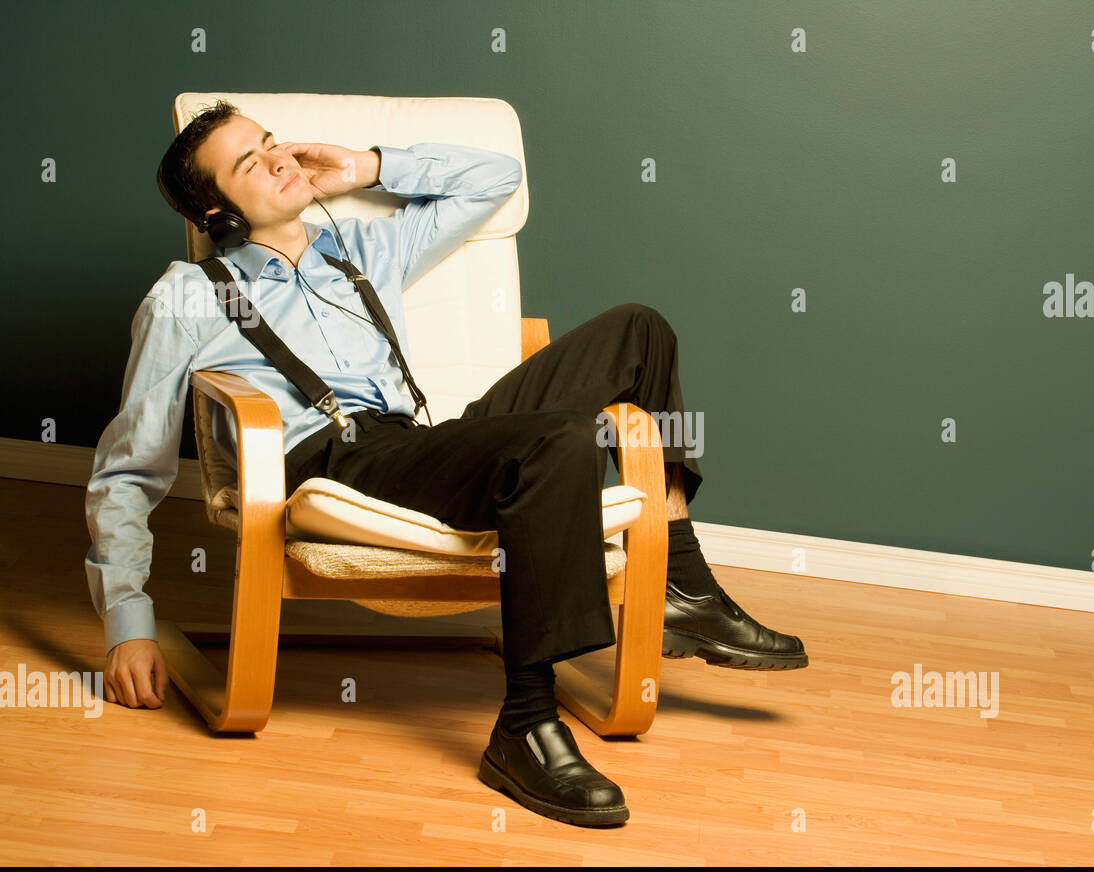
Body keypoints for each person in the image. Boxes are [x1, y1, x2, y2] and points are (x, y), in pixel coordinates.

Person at [85, 99, 808, 828]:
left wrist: (364, 166)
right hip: (333, 463)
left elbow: (497, 181)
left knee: (639, 333)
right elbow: (127, 466)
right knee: (557, 440)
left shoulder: (363, 252)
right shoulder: (188, 295)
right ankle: (524, 723)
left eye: (272, 142)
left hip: (420, 442)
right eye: (250, 162)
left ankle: (681, 584)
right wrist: (129, 623)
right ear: (216, 208)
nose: (279, 159)